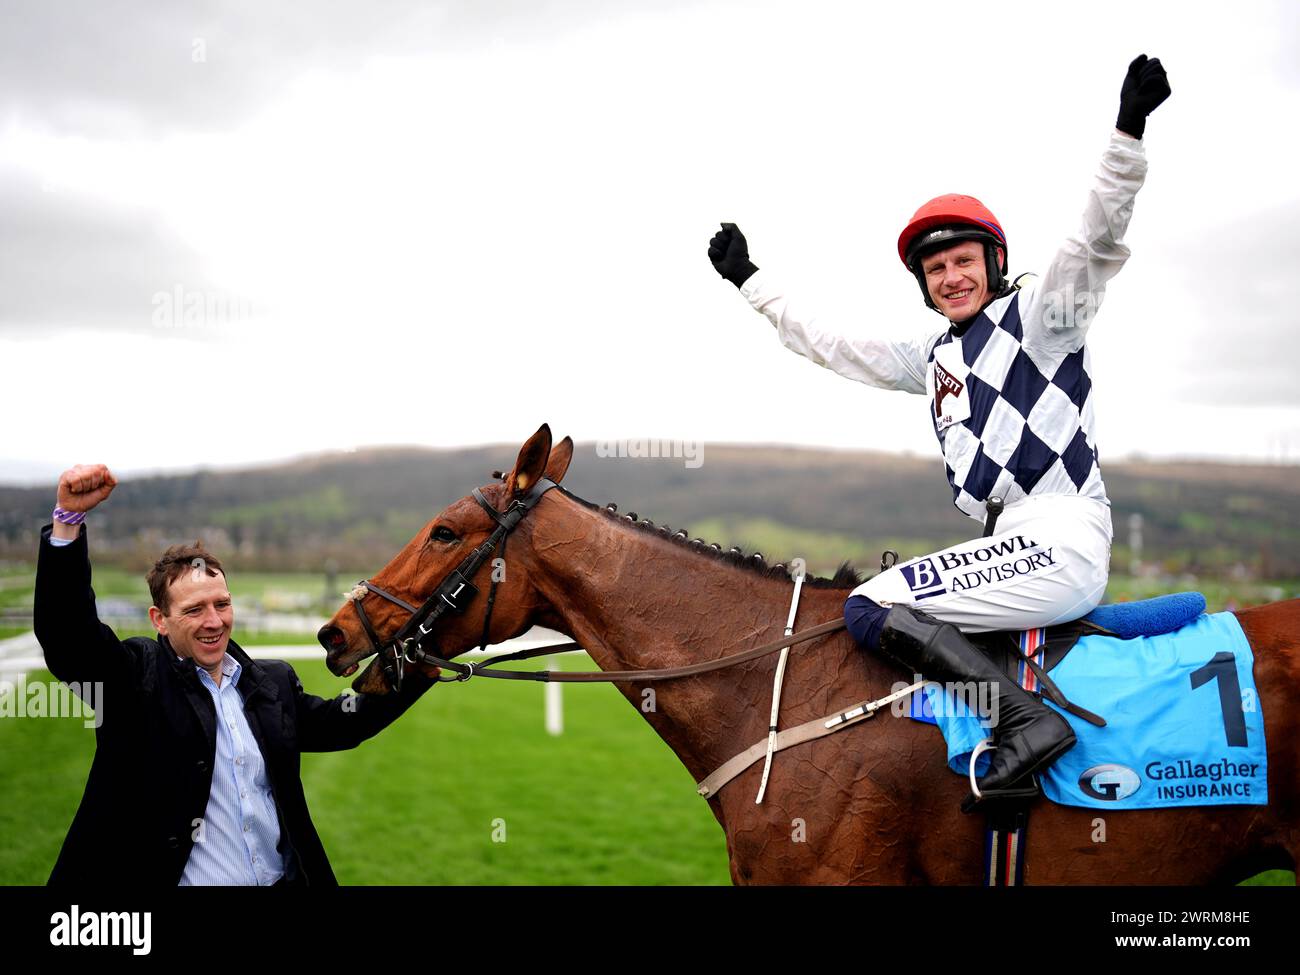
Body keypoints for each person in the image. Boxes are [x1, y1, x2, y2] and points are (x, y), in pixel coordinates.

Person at [707, 55, 1171, 805]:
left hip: (1060, 534)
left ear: (993, 262)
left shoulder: (1044, 317)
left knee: (871, 605)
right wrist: (755, 285)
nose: (951, 277)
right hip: (1010, 541)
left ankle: (1028, 724)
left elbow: (1094, 241)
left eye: (963, 261)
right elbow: (837, 347)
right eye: (935, 270)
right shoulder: (933, 355)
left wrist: (1127, 134)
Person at [35, 463, 438, 884]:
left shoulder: (271, 683)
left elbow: (345, 723)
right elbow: (69, 639)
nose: (214, 621)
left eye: (221, 604)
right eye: (194, 609)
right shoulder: (136, 678)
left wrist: (423, 657)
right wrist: (68, 521)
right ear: (159, 619)